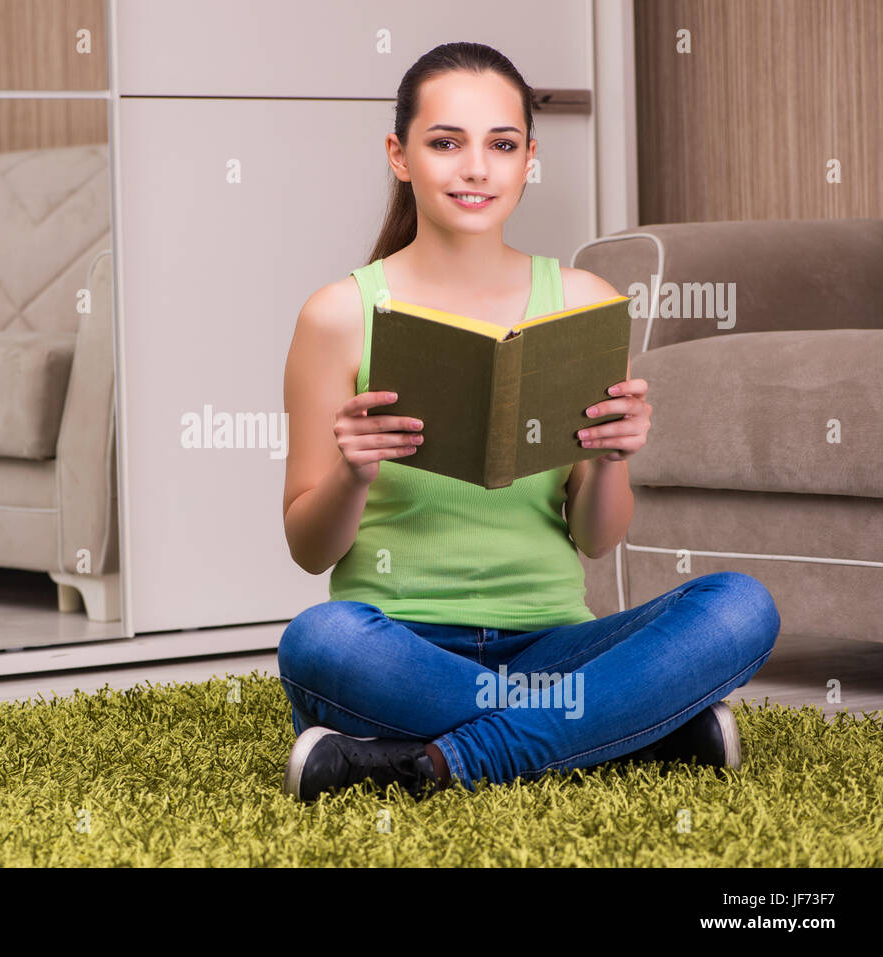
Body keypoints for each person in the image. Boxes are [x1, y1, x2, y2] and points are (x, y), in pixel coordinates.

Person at [277, 42, 780, 803]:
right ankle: (638, 734)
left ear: (527, 160)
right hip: (401, 647)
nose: (475, 168)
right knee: (321, 641)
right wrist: (353, 474)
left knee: (742, 606)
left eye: (501, 145)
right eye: (446, 142)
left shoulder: (580, 301)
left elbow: (598, 538)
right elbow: (309, 549)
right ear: (400, 155)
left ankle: (428, 762)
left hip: (557, 646)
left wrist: (612, 459)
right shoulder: (340, 314)